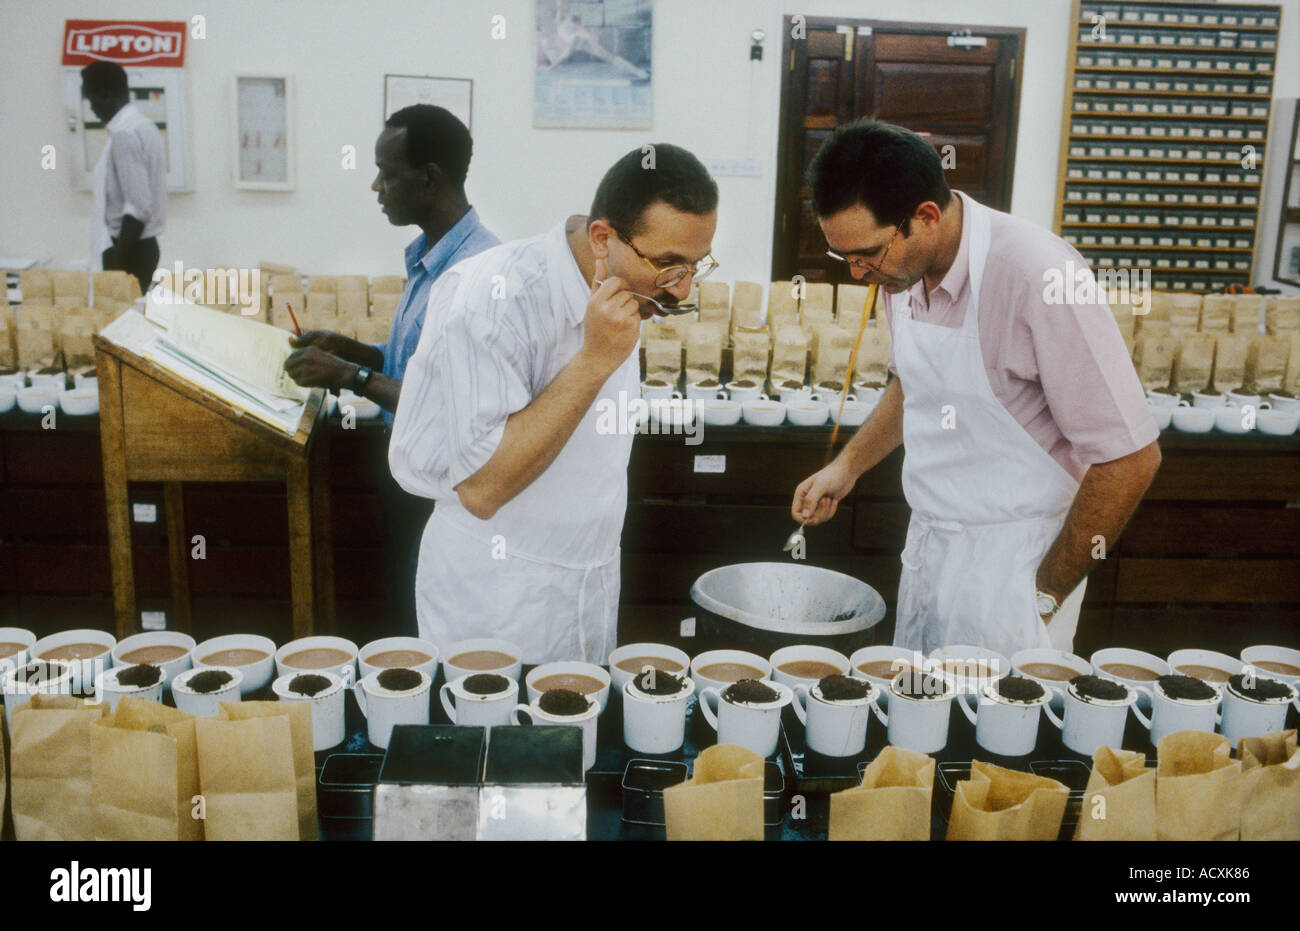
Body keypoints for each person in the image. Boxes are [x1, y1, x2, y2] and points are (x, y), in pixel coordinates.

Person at [791, 120, 1162, 658]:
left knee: (997, 737)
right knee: (918, 731)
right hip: (931, 547)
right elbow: (915, 383)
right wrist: (846, 467)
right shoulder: (900, 270)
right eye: (843, 255)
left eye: (867, 253)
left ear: (926, 216)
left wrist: (1043, 595)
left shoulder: (1040, 276)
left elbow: (1131, 457)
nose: (857, 273)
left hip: (1017, 565)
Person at [390, 143, 719, 663]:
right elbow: (482, 487)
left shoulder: (622, 287)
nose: (681, 291)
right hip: (496, 596)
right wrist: (592, 361)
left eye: (697, 266)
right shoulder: (492, 296)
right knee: (495, 743)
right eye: (669, 265)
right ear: (602, 238)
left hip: (589, 581)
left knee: (579, 741)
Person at [283, 105, 499, 634]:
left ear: (429, 178)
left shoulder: (477, 273)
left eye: (387, 172)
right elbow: (417, 365)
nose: (376, 185)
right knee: (407, 614)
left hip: (443, 491)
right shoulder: (431, 256)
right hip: (410, 477)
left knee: (431, 624)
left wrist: (347, 377)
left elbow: (452, 403)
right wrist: (356, 351)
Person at [81, 61, 166, 294]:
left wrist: (117, 267)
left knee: (122, 325)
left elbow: (138, 208)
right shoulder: (145, 127)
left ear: (105, 95)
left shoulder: (125, 134)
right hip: (141, 248)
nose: (92, 108)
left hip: (129, 250)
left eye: (91, 100)